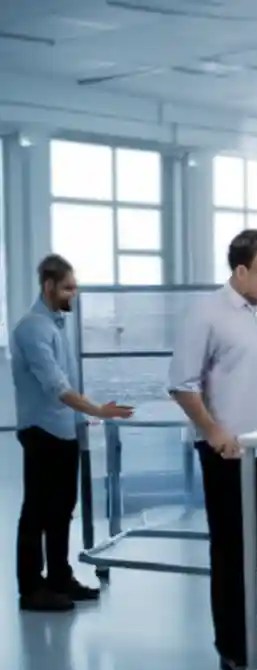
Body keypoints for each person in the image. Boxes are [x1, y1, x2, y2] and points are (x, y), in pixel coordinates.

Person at [168, 229, 257, 670]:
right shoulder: (206, 314)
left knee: (254, 545)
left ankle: (250, 629)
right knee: (229, 550)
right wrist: (213, 429)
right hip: (225, 452)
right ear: (240, 270)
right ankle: (232, 646)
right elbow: (182, 383)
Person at [10, 254, 134, 612]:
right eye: (68, 287)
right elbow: (56, 386)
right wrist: (97, 411)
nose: (73, 294)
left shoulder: (57, 326)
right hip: (41, 431)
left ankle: (60, 577)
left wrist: (85, 418)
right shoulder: (32, 328)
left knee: (62, 508)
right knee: (37, 511)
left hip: (63, 430)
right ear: (48, 286)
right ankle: (32, 588)